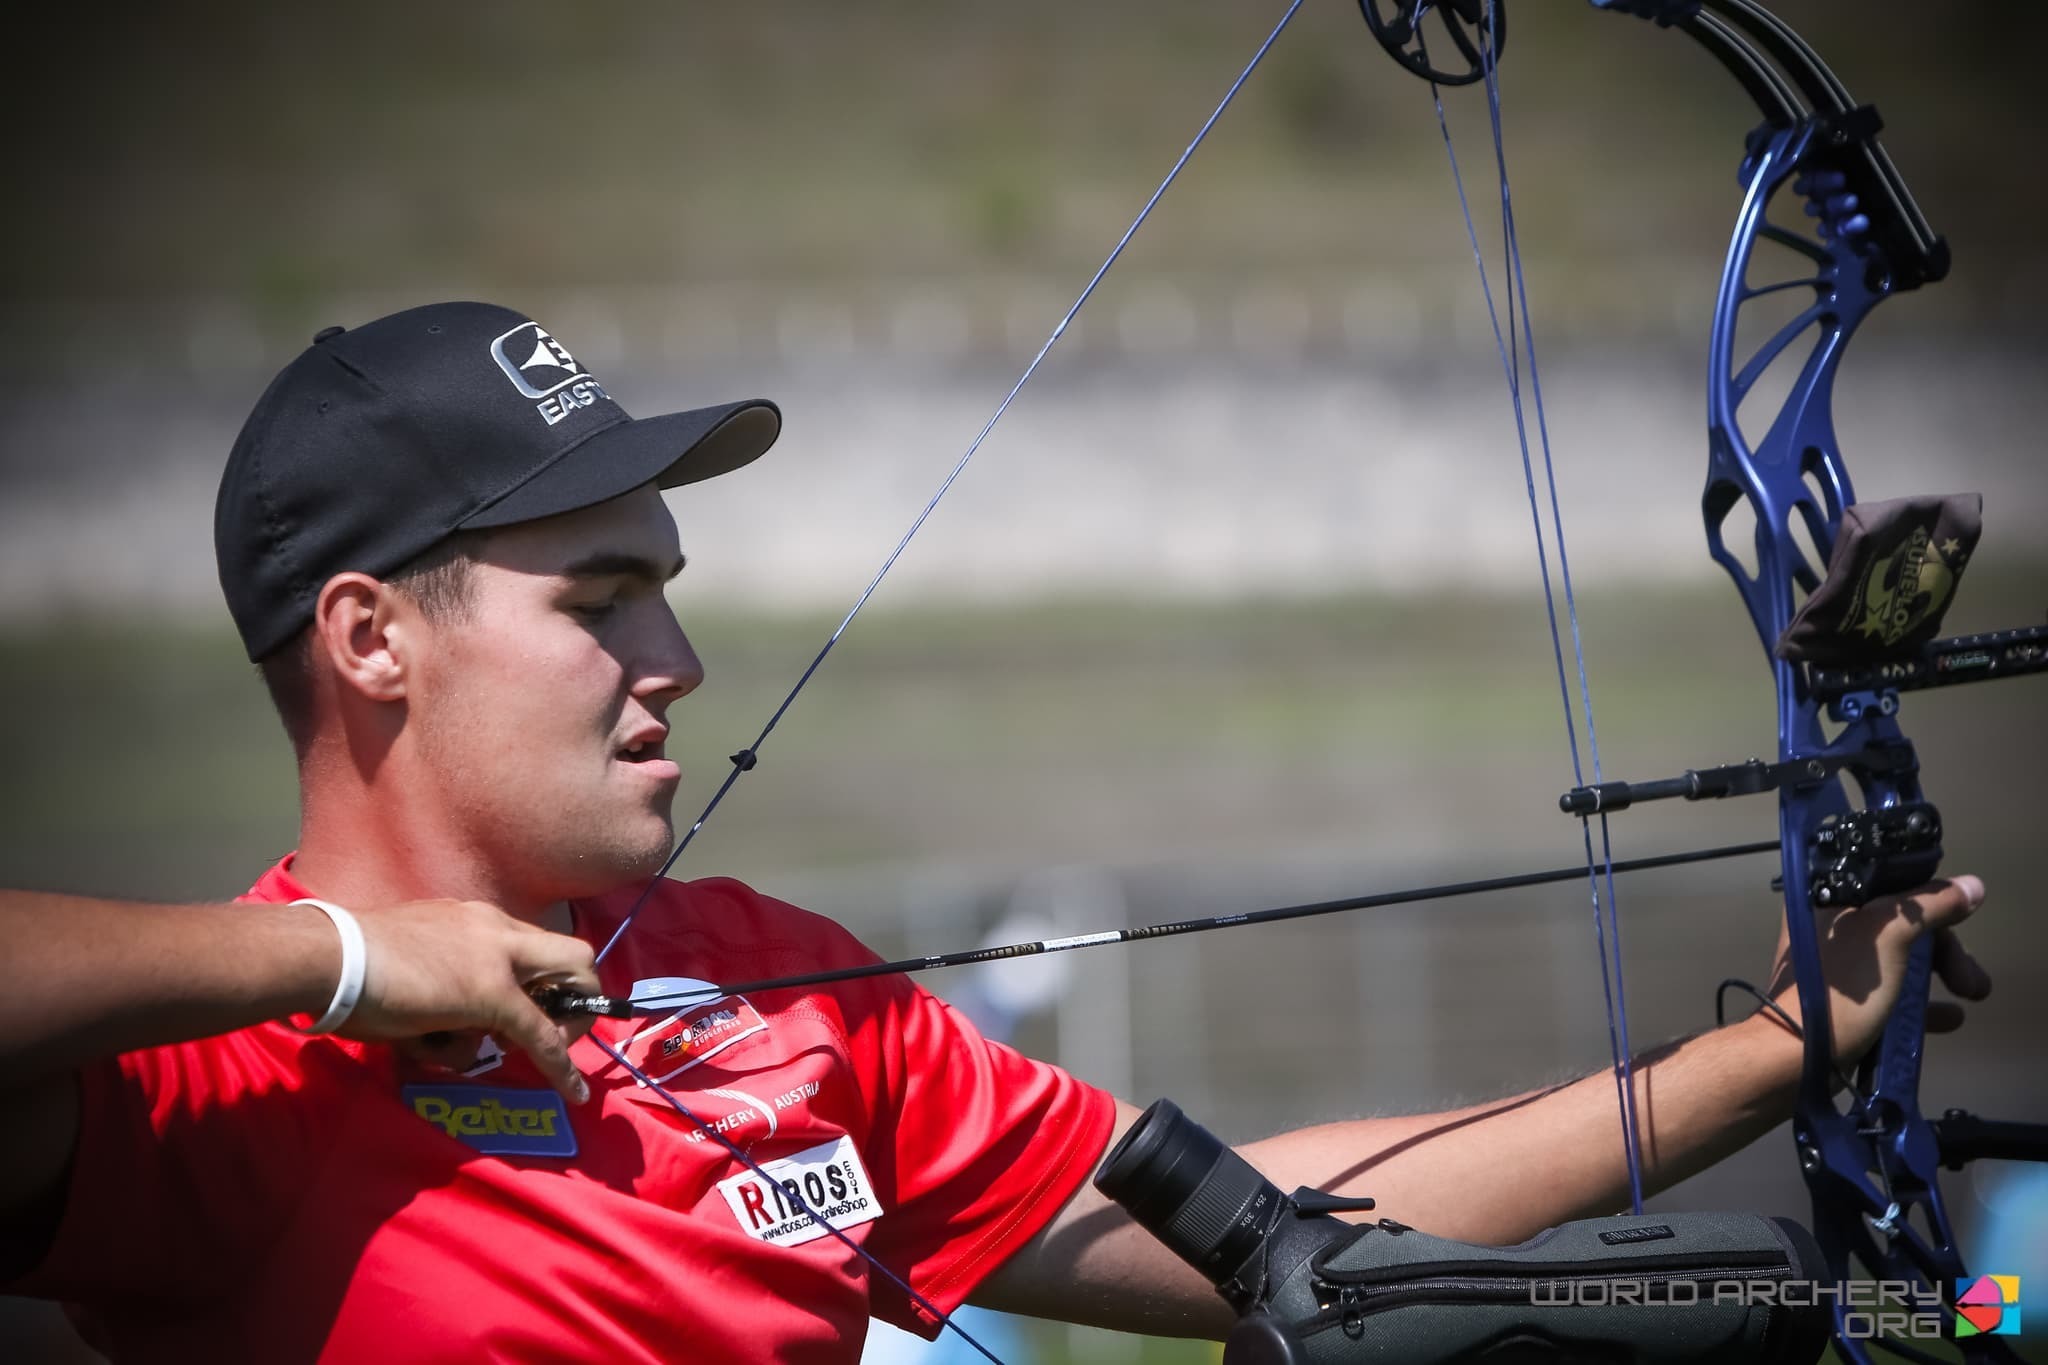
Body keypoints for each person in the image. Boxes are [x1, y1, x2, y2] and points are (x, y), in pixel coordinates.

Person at [0, 302, 1993, 1362]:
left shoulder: (748, 975)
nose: (673, 653)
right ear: (371, 639)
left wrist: (1771, 1046)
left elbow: (1273, 1239)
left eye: (665, 587)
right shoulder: (206, 1074)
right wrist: (353, 961)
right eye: (598, 596)